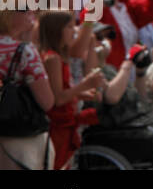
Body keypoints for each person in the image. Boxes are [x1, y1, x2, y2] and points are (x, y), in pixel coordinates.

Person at [37, 12, 104, 169]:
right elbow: (58, 98)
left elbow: (61, 90)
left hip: (65, 124)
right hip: (58, 127)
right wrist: (86, 84)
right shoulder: (52, 58)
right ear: (56, 30)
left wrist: (82, 95)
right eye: (68, 27)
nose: (73, 31)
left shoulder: (58, 57)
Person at [0, 0, 55, 170]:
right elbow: (47, 102)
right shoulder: (25, 51)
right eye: (25, 9)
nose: (31, 13)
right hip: (19, 142)